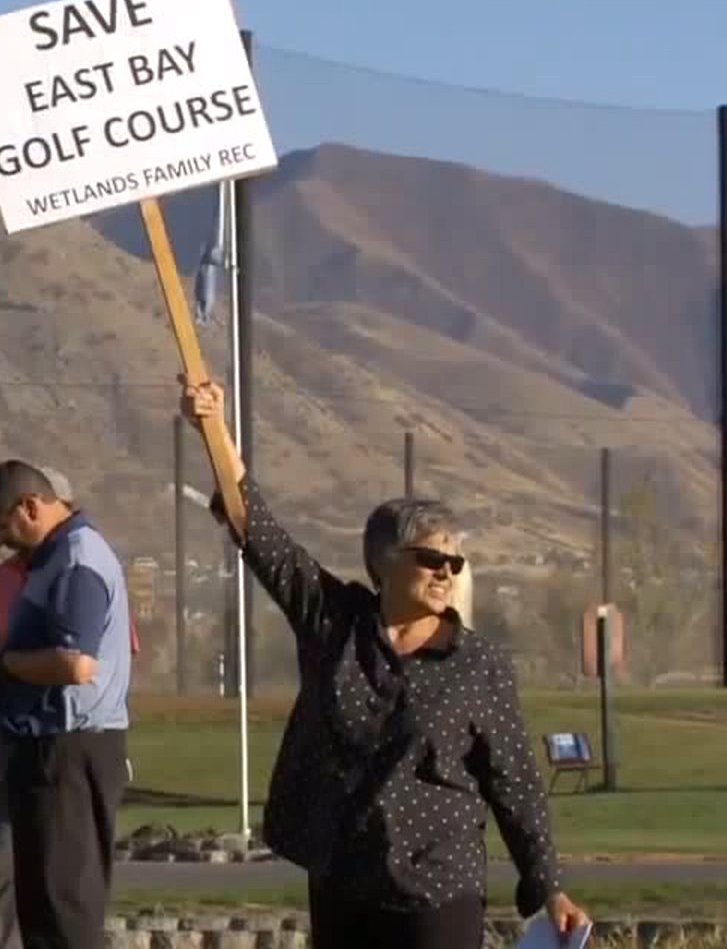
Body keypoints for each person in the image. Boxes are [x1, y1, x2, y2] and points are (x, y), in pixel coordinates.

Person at [179, 377, 589, 949]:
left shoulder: (479, 664)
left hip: (438, 889)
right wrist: (213, 428)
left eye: (454, 561)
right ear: (383, 563)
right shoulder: (335, 624)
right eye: (430, 558)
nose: (446, 571)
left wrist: (549, 887)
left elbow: (514, 781)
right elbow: (262, 535)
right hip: (343, 879)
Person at [0, 459, 132, 949]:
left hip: (67, 751)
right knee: (42, 911)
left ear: (30, 506)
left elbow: (76, 665)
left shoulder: (77, 562)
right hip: (43, 750)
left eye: (1, 526)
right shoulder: (51, 560)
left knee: (64, 910)